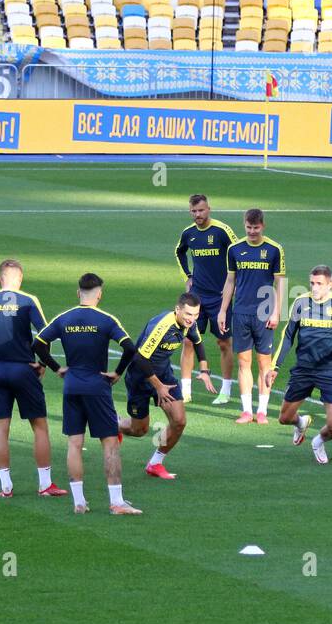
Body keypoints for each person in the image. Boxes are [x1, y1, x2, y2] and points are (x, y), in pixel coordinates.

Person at [33, 273, 143, 515]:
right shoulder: (106, 319)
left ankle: (79, 502)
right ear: (99, 294)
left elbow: (38, 344)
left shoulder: (64, 318)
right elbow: (130, 348)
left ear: (78, 292)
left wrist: (56, 367)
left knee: (74, 443)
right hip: (97, 386)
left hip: (71, 385)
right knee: (110, 443)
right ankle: (116, 502)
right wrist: (117, 373)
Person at [0, 259, 66, 498]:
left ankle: (6, 486)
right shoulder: (28, 300)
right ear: (20, 279)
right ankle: (45, 484)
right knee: (39, 427)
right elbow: (45, 334)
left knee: (0, 430)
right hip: (24, 370)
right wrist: (42, 363)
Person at [265, 266, 332, 463]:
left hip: (330, 371)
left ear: (330, 285)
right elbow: (288, 336)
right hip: (303, 370)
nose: (315, 288)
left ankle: (318, 441)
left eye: (319, 284)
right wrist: (275, 368)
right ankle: (301, 422)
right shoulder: (301, 303)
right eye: (312, 283)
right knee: (284, 418)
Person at [121, 294, 217, 479]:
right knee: (139, 430)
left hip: (165, 375)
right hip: (140, 378)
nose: (192, 318)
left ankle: (155, 463)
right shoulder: (163, 326)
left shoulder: (190, 323)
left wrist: (204, 370)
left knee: (179, 421)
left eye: (196, 315)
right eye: (188, 313)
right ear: (177, 309)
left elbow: (198, 343)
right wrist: (158, 387)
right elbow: (140, 358)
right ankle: (115, 424)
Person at [218, 208, 285, 424]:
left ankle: (262, 411)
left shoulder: (274, 249)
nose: (252, 231)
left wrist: (276, 311)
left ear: (263, 226)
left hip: (264, 313)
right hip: (241, 312)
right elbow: (230, 281)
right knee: (243, 361)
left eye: (256, 227)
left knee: (264, 362)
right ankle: (247, 411)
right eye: (248, 227)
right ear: (244, 225)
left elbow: (280, 282)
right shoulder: (234, 249)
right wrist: (222, 310)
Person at [174, 193, 237, 406]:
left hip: (221, 298)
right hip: (196, 298)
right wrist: (188, 276)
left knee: (223, 342)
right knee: (188, 340)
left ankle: (226, 390)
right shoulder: (188, 233)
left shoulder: (222, 231)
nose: (197, 215)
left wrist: (235, 284)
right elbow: (179, 252)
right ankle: (186, 391)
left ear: (208, 209)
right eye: (193, 211)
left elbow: (239, 253)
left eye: (201, 210)